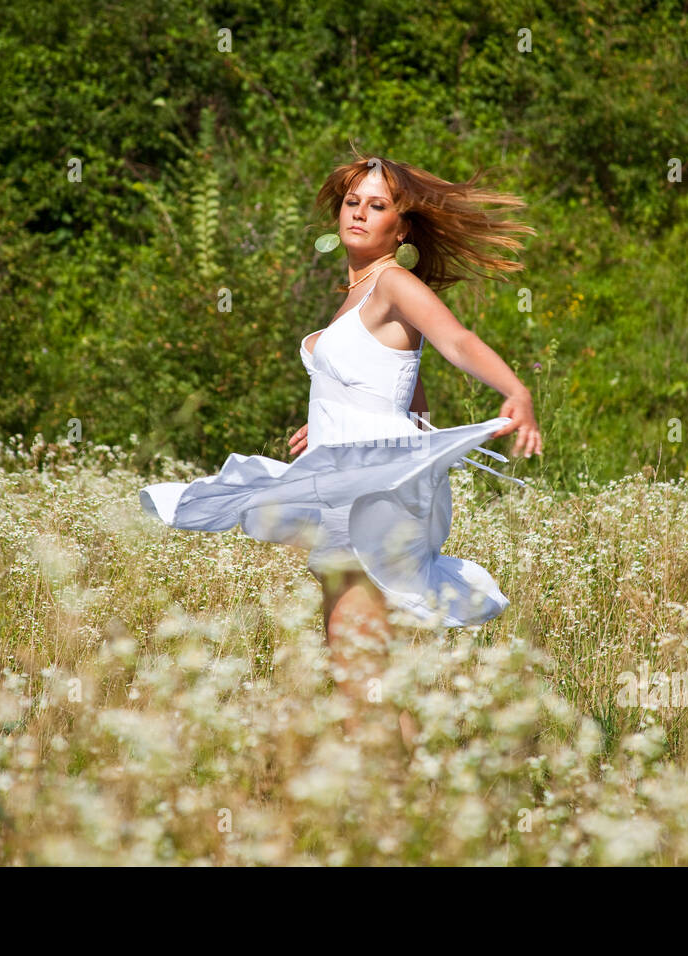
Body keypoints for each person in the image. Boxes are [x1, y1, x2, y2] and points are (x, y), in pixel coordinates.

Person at [141, 153, 542, 753]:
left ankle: (374, 810)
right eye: (352, 202)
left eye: (377, 205)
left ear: (401, 229)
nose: (359, 212)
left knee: (354, 659)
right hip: (345, 477)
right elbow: (407, 386)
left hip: (368, 493)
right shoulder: (353, 293)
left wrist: (516, 391)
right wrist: (325, 427)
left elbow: (455, 339)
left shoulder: (392, 283)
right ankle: (418, 803)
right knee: (365, 656)